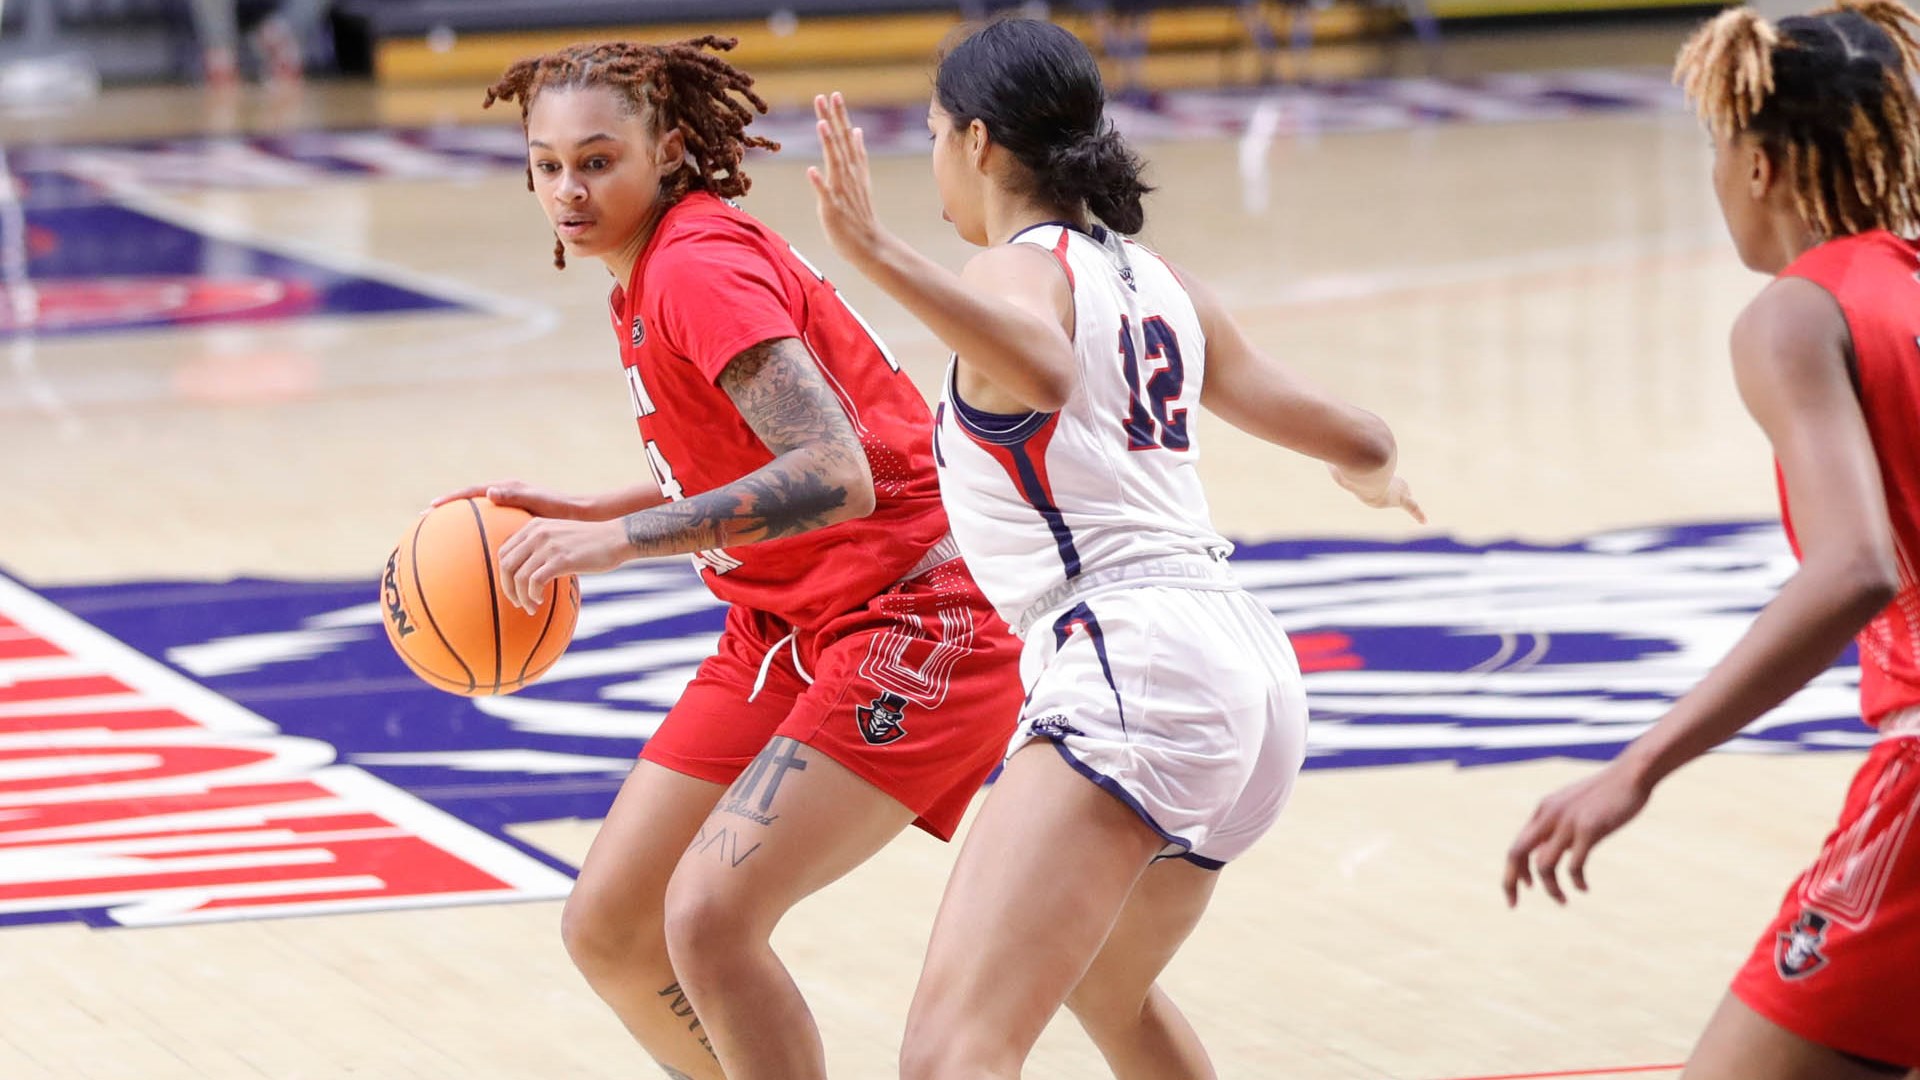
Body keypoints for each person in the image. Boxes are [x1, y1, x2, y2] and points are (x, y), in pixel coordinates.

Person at [805, 18, 1423, 1078]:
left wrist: (874, 255)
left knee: (951, 1057)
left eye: (938, 131)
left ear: (981, 143)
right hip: (1251, 685)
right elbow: (1362, 438)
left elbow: (1043, 368)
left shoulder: (1009, 272)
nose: (933, 159)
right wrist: (1373, 479)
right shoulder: (1159, 283)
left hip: (1128, 666)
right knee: (1108, 987)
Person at [447, 36, 1022, 1080]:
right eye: (545, 165)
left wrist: (621, 538)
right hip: (791, 617)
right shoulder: (652, 264)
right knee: (612, 927)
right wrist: (614, 498)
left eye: (596, 161)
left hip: (916, 613)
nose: (567, 191)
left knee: (707, 916)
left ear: (667, 151)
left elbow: (836, 472)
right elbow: (763, 452)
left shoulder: (695, 268)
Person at [1503, 3, 1920, 1076]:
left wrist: (1638, 766)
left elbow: (1857, 565)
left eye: (1717, 146)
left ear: (1765, 164)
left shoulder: (1797, 312)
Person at [188, 0, 328, 89]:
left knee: (285, 45)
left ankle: (281, 38)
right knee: (220, 59)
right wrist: (218, 42)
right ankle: (220, 55)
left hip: (286, 19)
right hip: (224, 25)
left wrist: (286, 26)